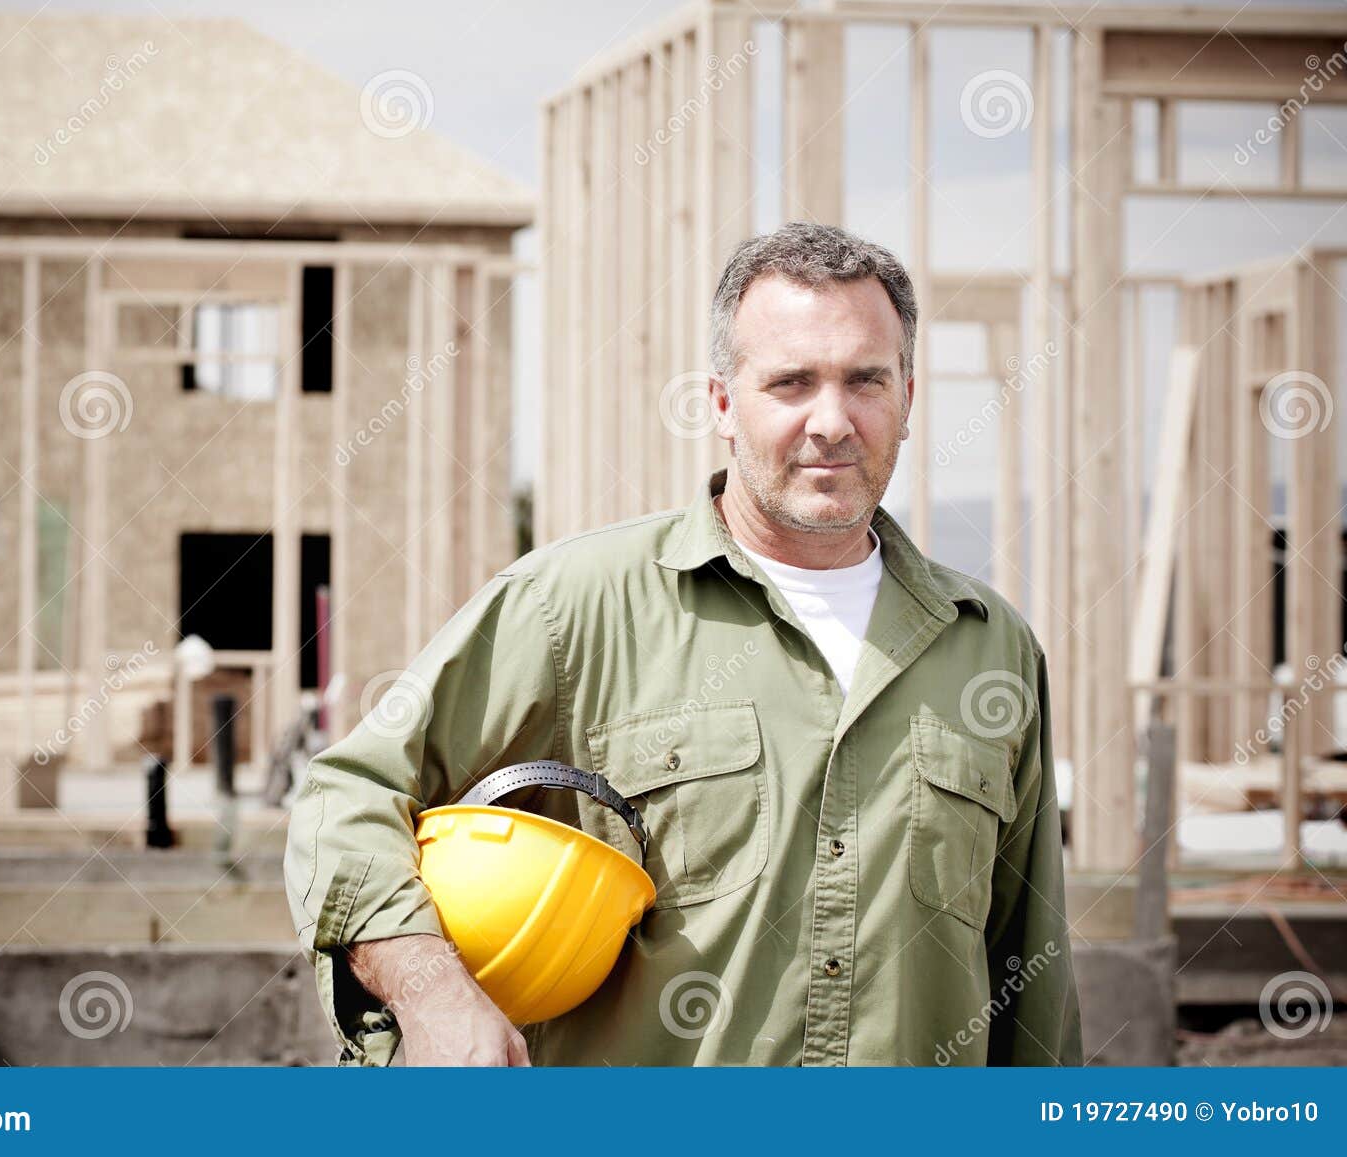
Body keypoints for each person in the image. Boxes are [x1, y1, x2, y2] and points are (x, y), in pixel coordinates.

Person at [284, 221, 1082, 1067]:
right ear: (724, 403)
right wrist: (434, 995)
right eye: (791, 382)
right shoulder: (572, 608)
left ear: (909, 401)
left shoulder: (989, 650)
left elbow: (1031, 983)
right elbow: (345, 798)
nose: (832, 420)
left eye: (865, 381)